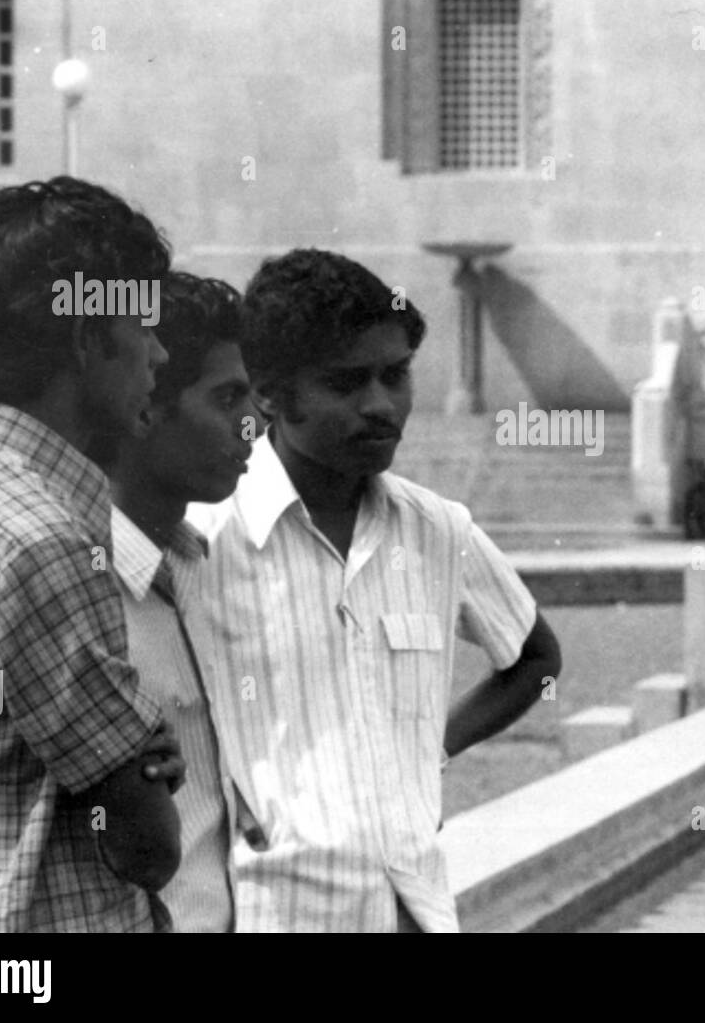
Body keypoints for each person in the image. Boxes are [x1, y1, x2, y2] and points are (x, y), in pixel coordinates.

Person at [189, 249, 563, 932]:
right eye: (346, 383)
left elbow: (535, 660)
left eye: (396, 375)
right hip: (274, 913)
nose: (380, 405)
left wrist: (429, 752)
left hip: (414, 911)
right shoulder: (205, 535)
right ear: (270, 392)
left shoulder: (437, 529)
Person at [0, 177, 184, 931]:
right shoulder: (43, 542)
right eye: (145, 326)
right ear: (90, 339)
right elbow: (150, 846)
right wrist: (139, 743)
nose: (158, 354)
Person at [99, 271, 262, 932]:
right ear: (145, 407)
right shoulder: (80, 595)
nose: (254, 422)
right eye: (228, 397)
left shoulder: (204, 567)